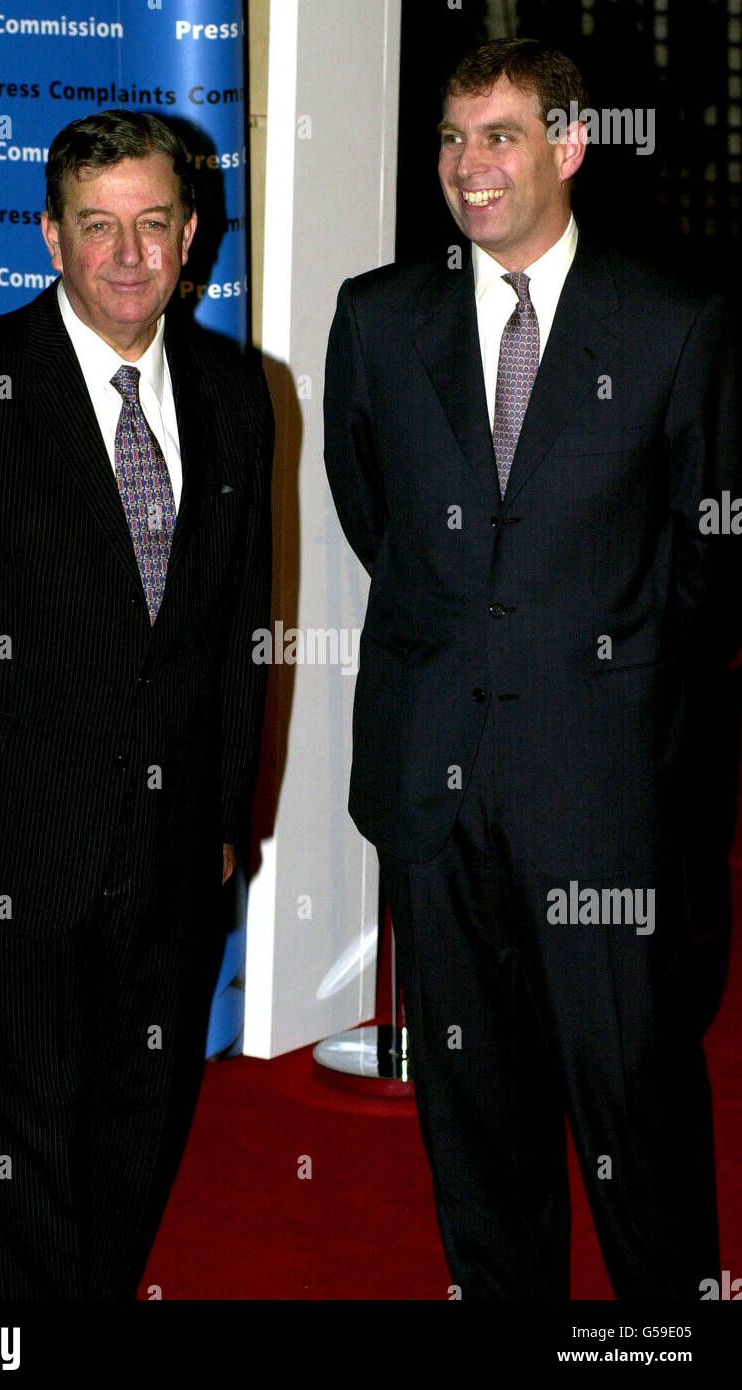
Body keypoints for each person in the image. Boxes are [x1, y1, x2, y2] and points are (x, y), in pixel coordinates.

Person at [324, 38, 740, 1299]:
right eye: (452, 139)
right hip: (434, 787)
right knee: (476, 1105)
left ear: (569, 146)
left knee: (632, 1099)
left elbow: (715, 547)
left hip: (604, 796)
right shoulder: (379, 316)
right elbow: (373, 514)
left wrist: (598, 665)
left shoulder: (674, 320)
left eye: (500, 135)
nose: (468, 166)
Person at [0, 109, 273, 1300]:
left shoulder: (235, 393)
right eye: (99, 227)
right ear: (51, 236)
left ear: (192, 234)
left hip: (166, 846)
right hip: (4, 835)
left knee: (142, 1120)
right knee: (28, 1140)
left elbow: (239, 633)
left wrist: (222, 820)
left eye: (154, 224)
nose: (130, 255)